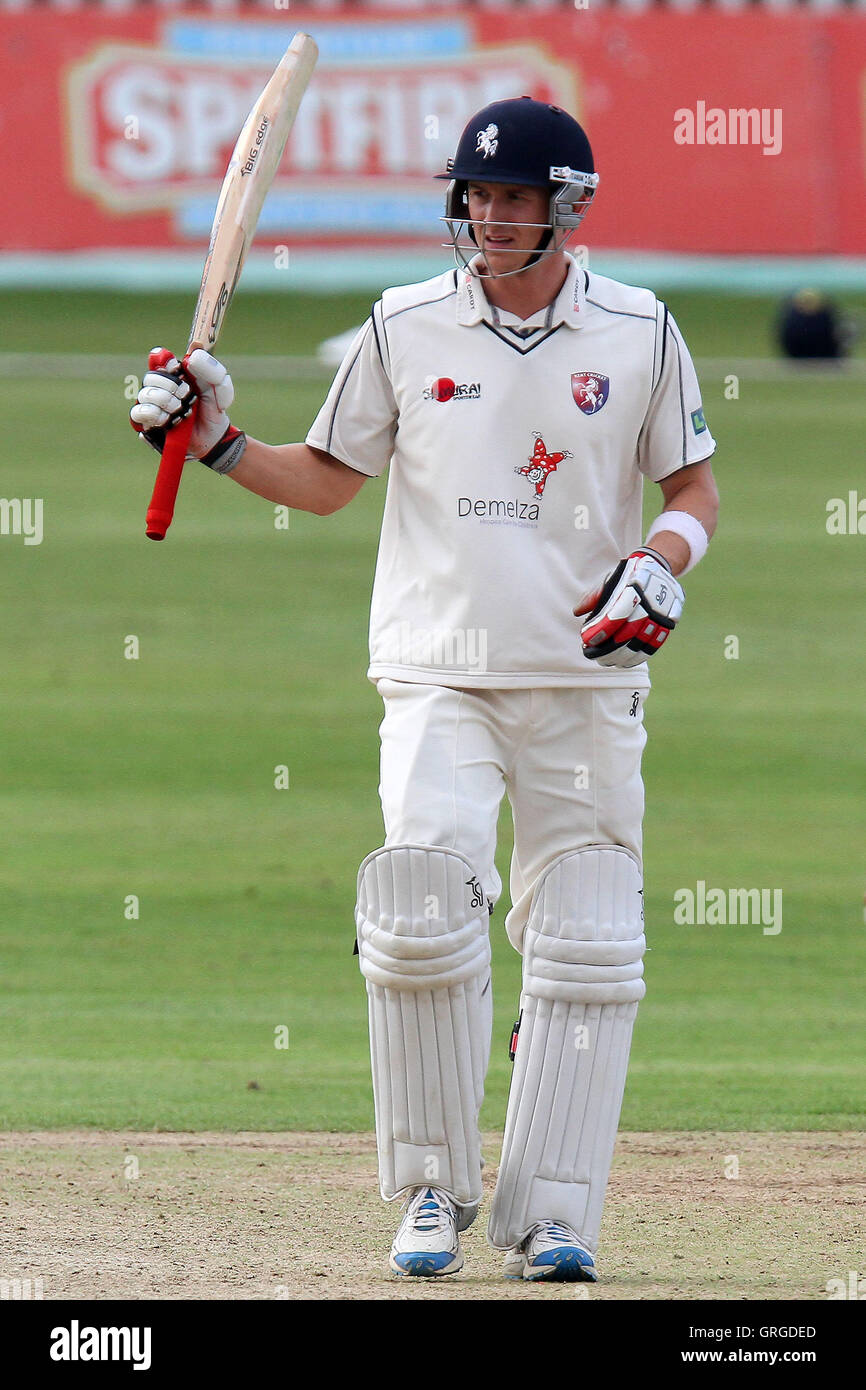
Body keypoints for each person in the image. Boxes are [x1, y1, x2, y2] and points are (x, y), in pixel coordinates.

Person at [130, 97, 719, 1283]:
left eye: (515, 200)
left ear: (566, 208)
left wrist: (662, 563)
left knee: (587, 939)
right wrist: (220, 444)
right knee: (417, 911)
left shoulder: (639, 329)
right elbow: (331, 482)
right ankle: (432, 1194)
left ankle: (554, 1210)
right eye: (477, 197)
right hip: (436, 669)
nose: (491, 219)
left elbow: (692, 488)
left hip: (586, 674)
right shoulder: (401, 326)